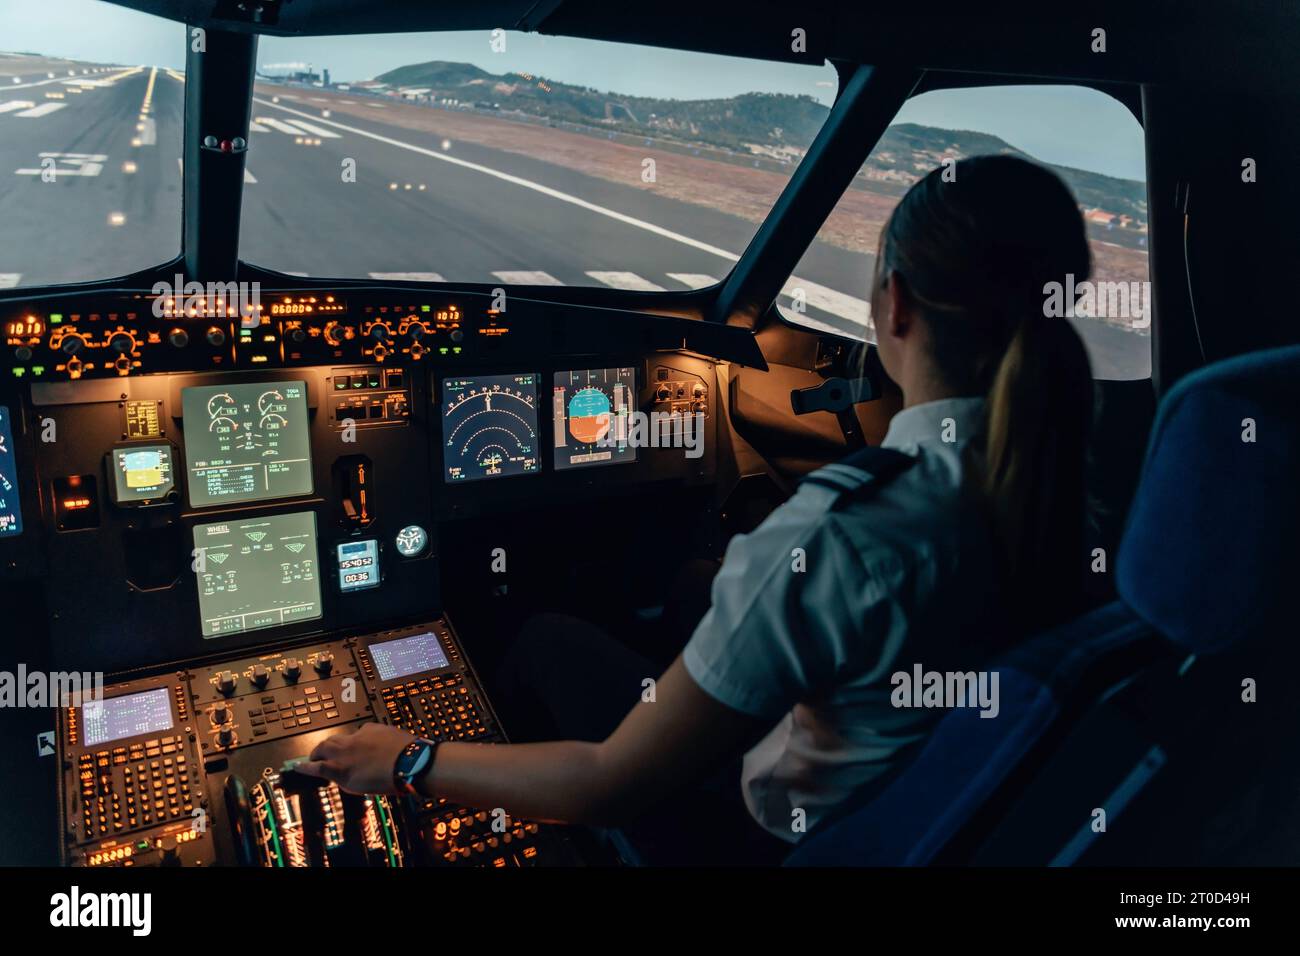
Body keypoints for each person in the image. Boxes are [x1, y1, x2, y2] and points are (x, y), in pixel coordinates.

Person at [298, 155, 1096, 860]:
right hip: (919, 804)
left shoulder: (846, 533)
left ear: (894, 305)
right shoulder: (1074, 505)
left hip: (760, 832)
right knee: (693, 582)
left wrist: (405, 759)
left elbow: (608, 782)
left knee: (543, 638)